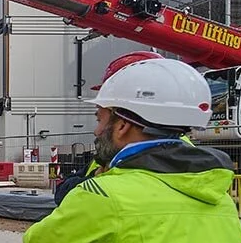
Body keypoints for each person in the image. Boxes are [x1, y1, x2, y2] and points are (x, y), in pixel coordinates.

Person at [23, 58, 241, 243]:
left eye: (100, 119)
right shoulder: (221, 199)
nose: (96, 130)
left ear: (122, 126)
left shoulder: (104, 194)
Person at [53, 51, 164, 205]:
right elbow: (62, 192)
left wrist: (94, 180)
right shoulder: (187, 159)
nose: (97, 131)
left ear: (123, 123)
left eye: (100, 119)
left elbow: (69, 199)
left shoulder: (111, 194)